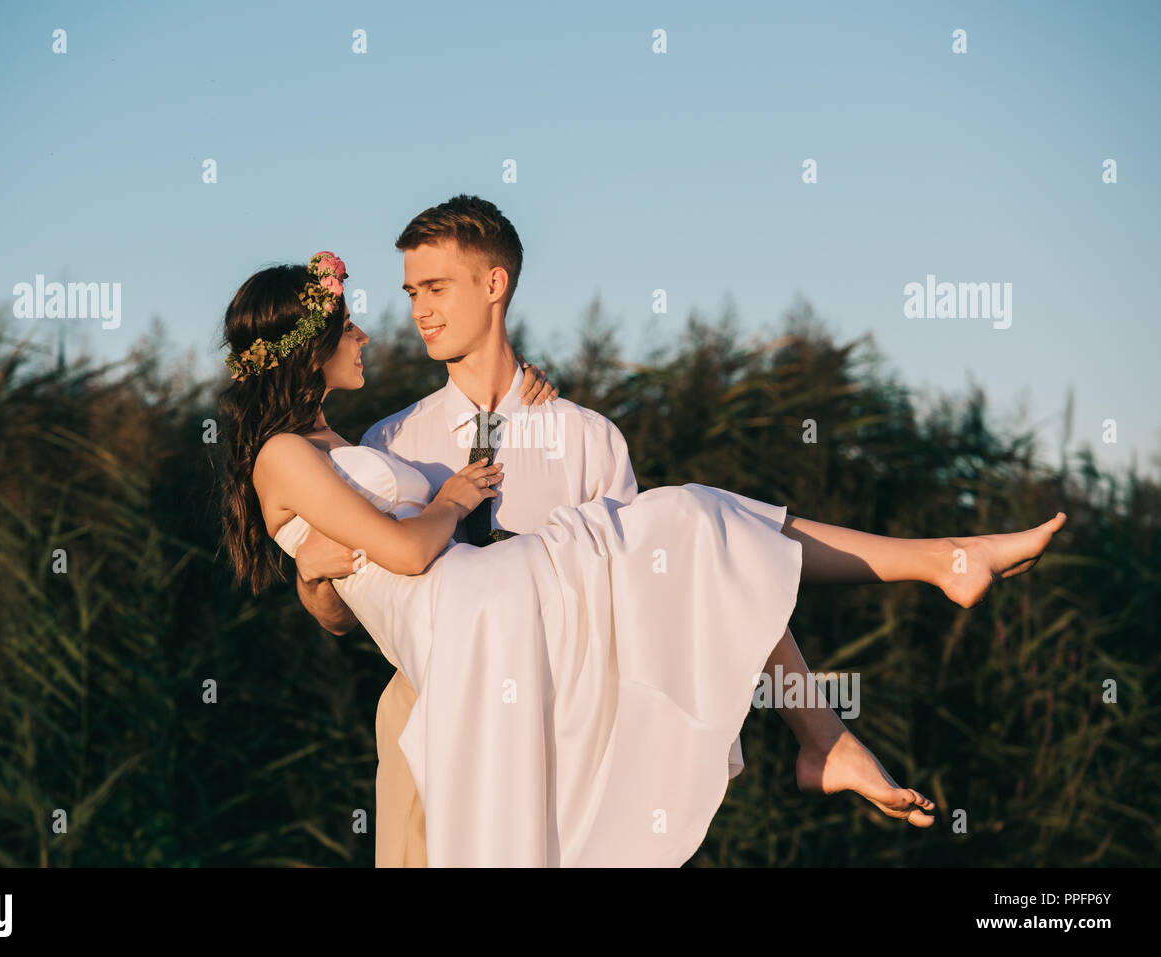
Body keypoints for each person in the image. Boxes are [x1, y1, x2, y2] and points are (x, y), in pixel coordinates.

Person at [217, 243, 1065, 866]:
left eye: (431, 288)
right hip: (459, 653)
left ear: (494, 284)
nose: (396, 320)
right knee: (698, 524)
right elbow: (365, 576)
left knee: (703, 534)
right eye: (384, 304)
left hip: (538, 639)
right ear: (305, 345)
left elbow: (665, 602)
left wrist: (366, 539)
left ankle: (895, 631)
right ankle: (920, 596)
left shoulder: (580, 432)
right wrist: (424, 512)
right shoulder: (383, 436)